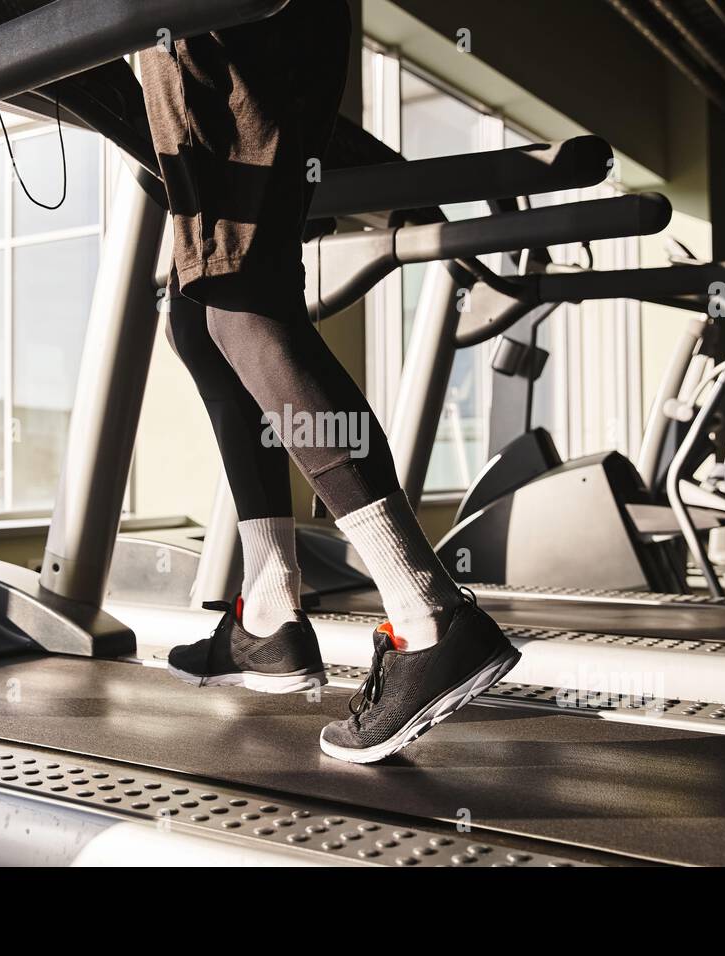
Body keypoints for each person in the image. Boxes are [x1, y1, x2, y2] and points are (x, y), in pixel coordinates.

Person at [139, 0, 519, 764]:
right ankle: (271, 613)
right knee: (202, 319)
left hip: (216, 34)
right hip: (250, 36)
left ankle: (429, 614)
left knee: (241, 311)